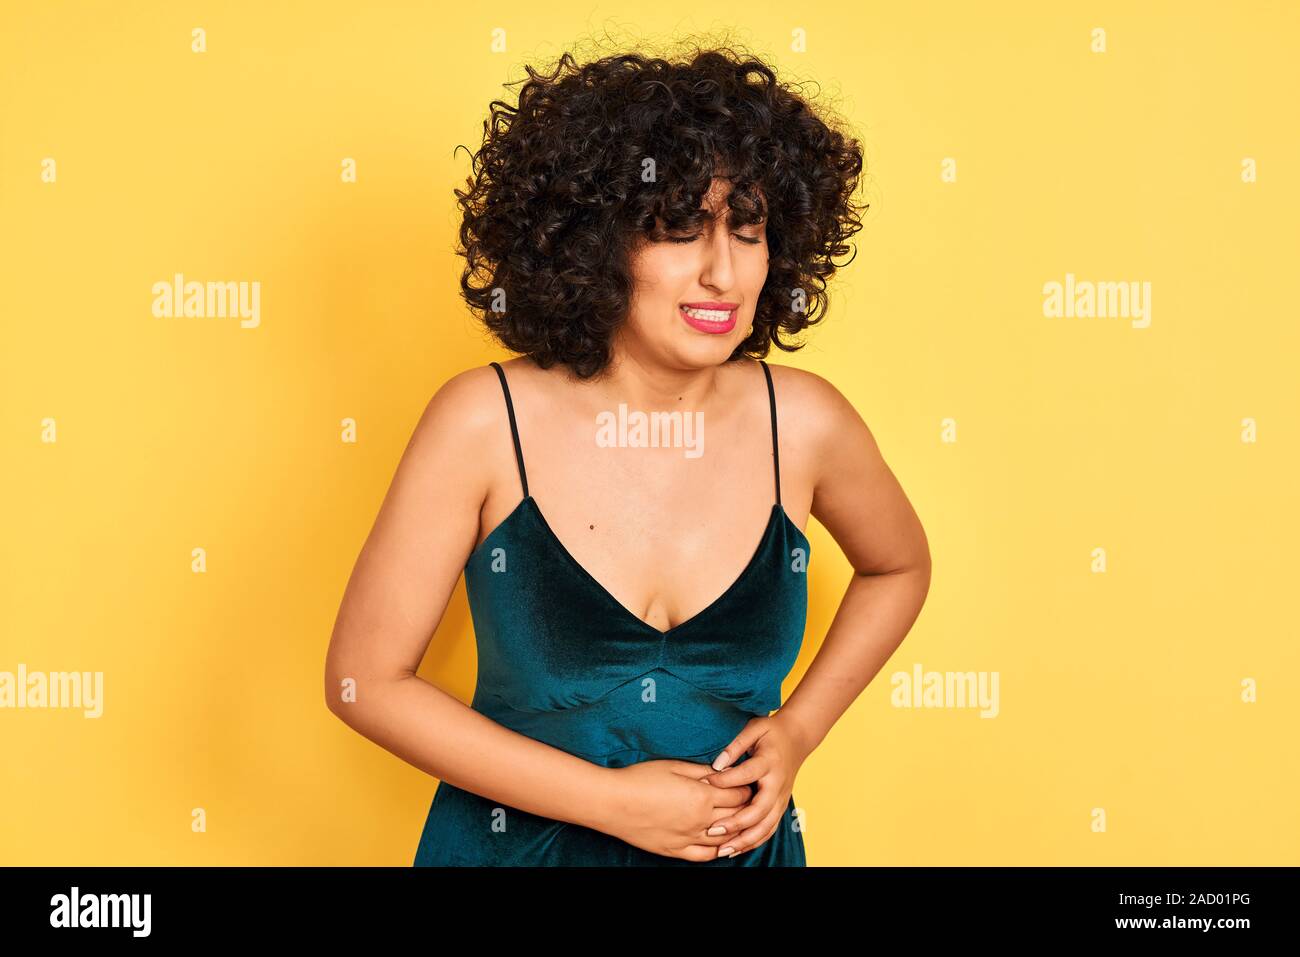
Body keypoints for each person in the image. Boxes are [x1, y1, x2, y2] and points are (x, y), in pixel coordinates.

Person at [324, 42, 931, 866]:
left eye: (746, 232)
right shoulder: (483, 421)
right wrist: (610, 804)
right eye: (680, 231)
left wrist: (798, 730)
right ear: (593, 242)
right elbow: (366, 681)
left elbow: (899, 566)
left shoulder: (807, 423)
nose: (722, 272)